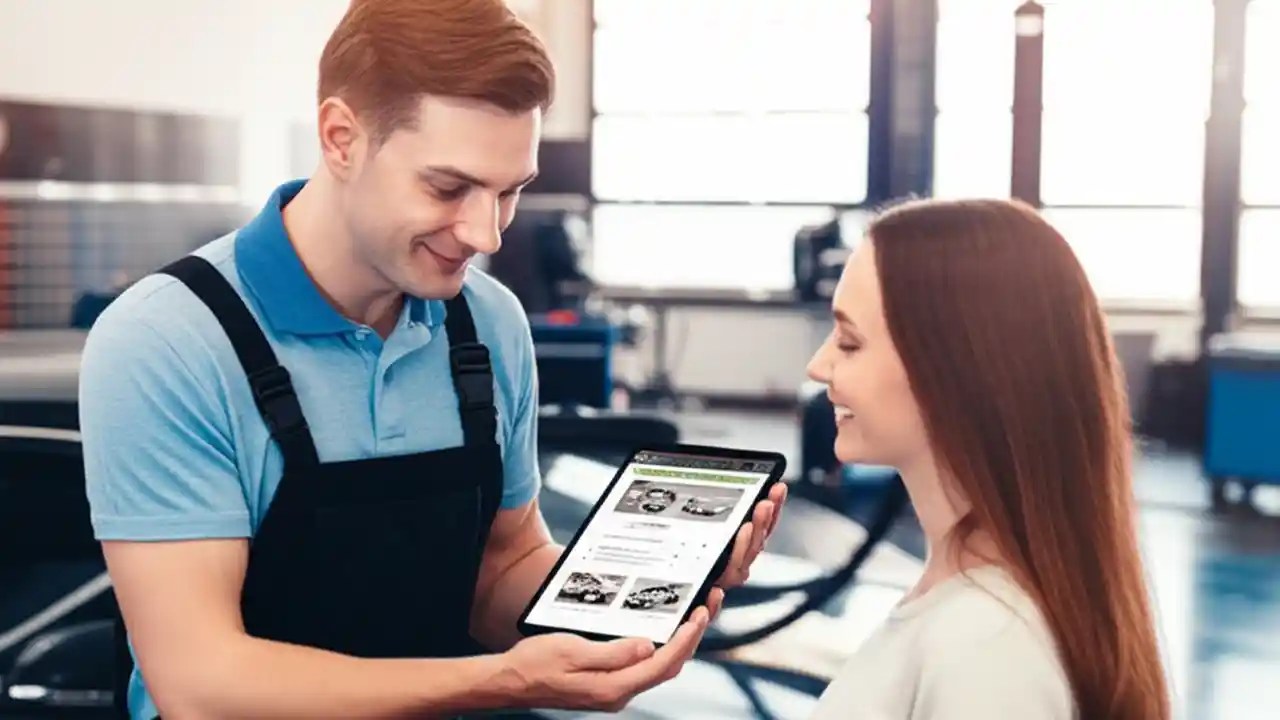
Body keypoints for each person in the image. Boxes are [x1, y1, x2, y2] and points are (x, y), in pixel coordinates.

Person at [78, 1, 786, 718]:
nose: (486, 234)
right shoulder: (167, 341)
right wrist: (504, 681)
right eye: (448, 188)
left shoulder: (489, 324)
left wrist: (633, 599)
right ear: (341, 139)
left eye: (510, 191)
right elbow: (200, 685)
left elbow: (502, 567)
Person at [804, 198, 1169, 719]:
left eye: (849, 341)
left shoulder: (987, 646)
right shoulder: (963, 608)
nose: (818, 366)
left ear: (953, 370)